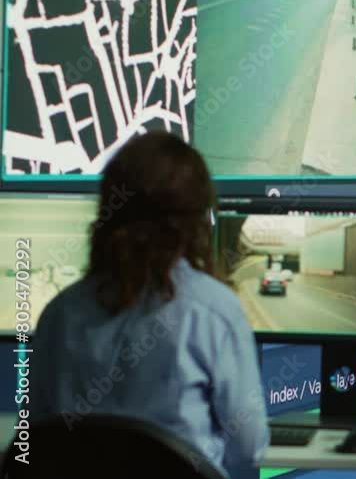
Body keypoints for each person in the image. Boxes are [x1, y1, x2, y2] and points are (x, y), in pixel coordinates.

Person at [31, 131, 270, 477]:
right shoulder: (214, 312)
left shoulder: (59, 315)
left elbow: (39, 441)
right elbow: (248, 449)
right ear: (197, 220)